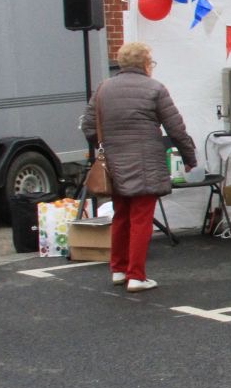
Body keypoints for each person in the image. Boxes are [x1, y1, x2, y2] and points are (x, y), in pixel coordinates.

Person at [79, 41, 199, 293]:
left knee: (121, 216)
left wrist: (107, 144)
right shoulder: (155, 88)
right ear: (146, 64)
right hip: (146, 162)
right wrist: (189, 157)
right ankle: (137, 276)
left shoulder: (103, 88)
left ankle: (118, 270)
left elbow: (89, 127)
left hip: (113, 162)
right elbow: (176, 128)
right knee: (141, 218)